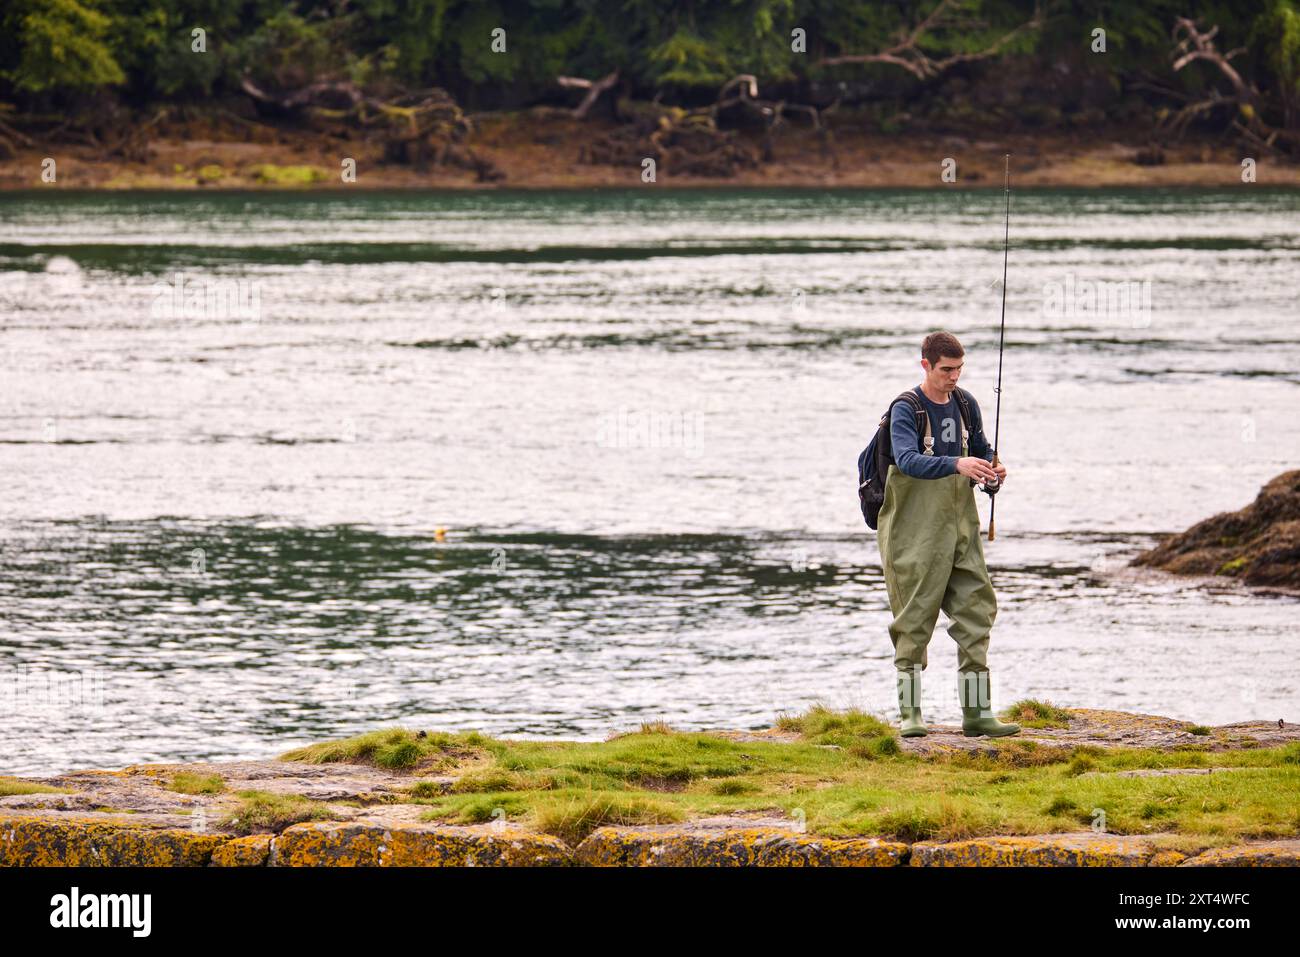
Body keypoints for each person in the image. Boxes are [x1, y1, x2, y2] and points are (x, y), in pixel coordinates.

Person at [877, 331, 1020, 738]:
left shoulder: (966, 404)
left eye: (959, 369)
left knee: (977, 615)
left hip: (963, 533)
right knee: (913, 623)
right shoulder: (907, 408)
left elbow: (981, 454)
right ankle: (910, 715)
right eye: (946, 370)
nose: (954, 377)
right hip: (913, 535)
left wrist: (993, 474)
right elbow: (906, 460)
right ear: (926, 365)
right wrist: (958, 464)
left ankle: (976, 713)